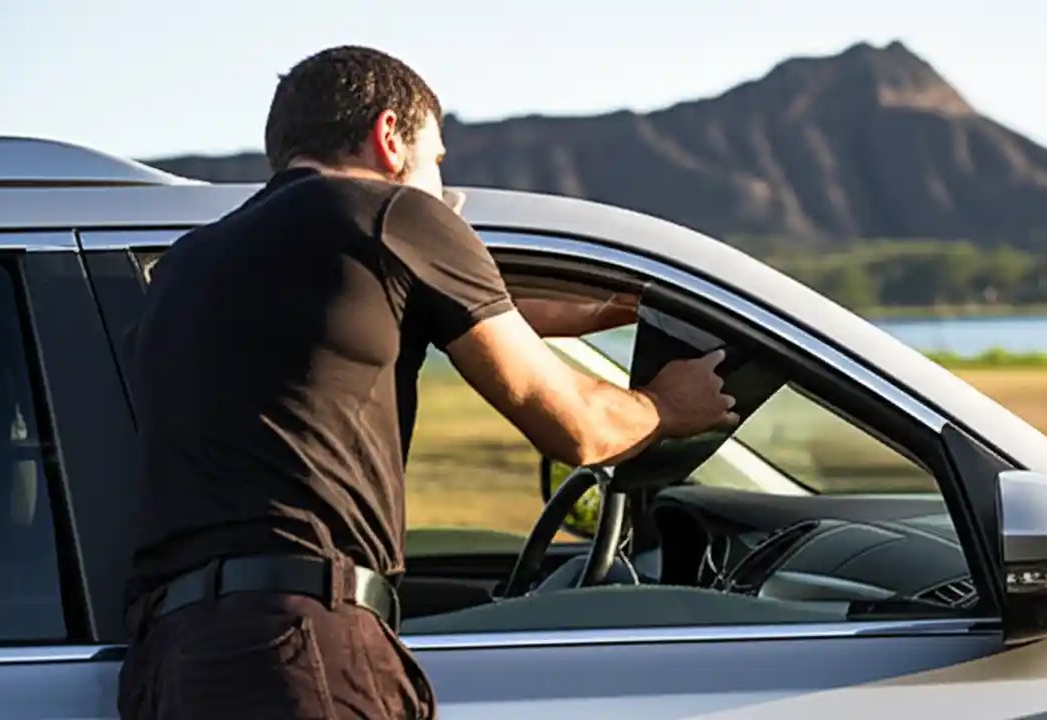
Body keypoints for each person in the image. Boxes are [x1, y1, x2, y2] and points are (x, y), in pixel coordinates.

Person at [116, 45, 736, 720]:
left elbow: (394, 310)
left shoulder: (189, 264)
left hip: (169, 663)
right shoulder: (393, 216)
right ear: (389, 137)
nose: (443, 190)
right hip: (297, 649)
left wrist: (584, 312)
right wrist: (668, 405)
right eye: (437, 161)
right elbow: (578, 429)